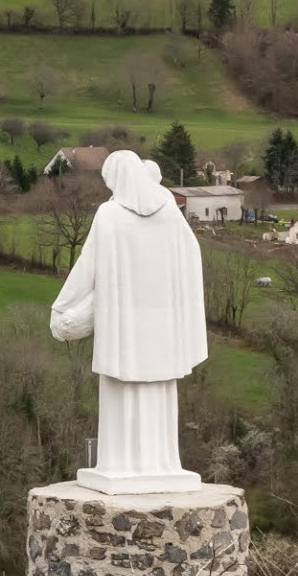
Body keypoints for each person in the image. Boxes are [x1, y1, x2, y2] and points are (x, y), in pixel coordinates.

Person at [49, 150, 208, 493]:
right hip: (163, 328)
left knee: (123, 391)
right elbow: (191, 254)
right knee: (160, 391)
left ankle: (120, 463)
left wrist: (62, 307)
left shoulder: (110, 215)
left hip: (125, 327)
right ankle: (163, 463)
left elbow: (86, 268)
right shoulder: (169, 212)